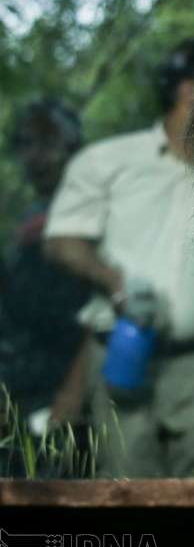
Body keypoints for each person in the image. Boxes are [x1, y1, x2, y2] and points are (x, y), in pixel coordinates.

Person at [43, 38, 194, 478]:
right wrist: (113, 281)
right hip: (122, 351)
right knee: (125, 489)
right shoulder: (109, 161)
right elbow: (62, 241)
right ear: (190, 90)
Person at [0, 98, 93, 475]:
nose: (35, 156)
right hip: (18, 399)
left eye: (47, 142)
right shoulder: (26, 220)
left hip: (73, 405)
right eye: (26, 143)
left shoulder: (95, 216)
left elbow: (103, 317)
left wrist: (71, 396)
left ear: (72, 148)